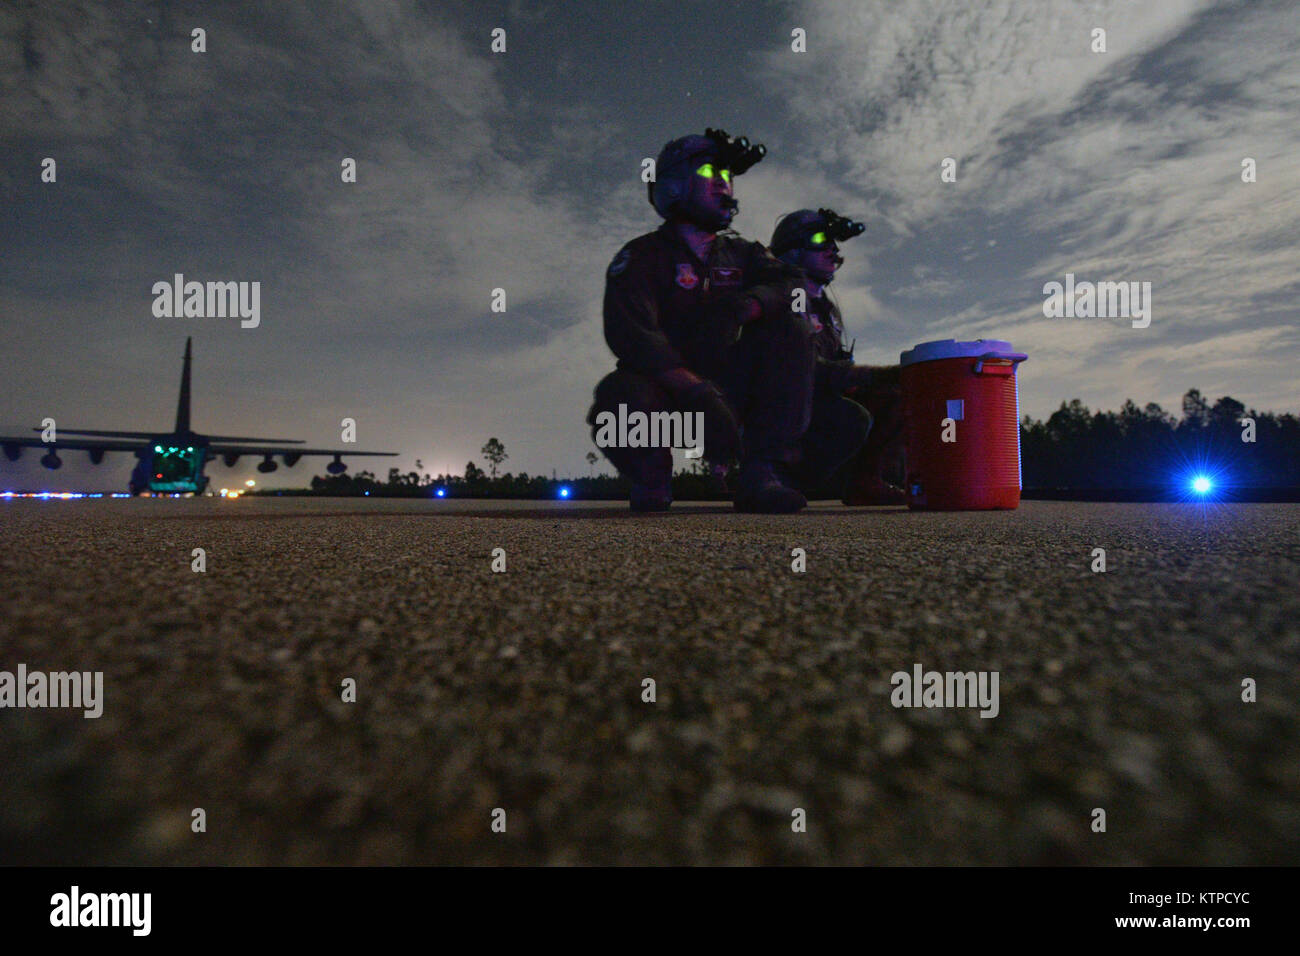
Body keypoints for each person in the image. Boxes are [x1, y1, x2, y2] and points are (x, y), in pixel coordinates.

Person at [589, 129, 812, 513]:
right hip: (674, 400)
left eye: (728, 177)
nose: (725, 185)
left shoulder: (745, 254)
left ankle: (761, 473)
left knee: (792, 326)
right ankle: (651, 473)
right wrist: (694, 390)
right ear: (674, 185)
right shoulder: (642, 256)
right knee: (618, 396)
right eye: (711, 171)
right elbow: (631, 334)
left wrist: (749, 305)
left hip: (734, 395)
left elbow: (792, 285)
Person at [769, 208, 907, 505]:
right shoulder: (780, 298)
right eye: (820, 240)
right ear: (793, 253)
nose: (832, 250)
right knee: (851, 416)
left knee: (896, 396)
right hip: (785, 408)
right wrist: (875, 374)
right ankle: (783, 475)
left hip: (820, 399)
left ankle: (866, 482)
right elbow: (803, 370)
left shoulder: (826, 309)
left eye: (834, 243)